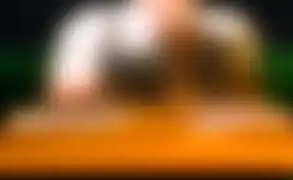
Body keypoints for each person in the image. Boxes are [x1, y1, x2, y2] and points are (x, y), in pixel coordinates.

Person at [47, 0, 260, 106]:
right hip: (106, 163)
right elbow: (65, 99)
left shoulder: (228, 31)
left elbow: (246, 101)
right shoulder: (91, 28)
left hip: (214, 161)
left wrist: (185, 51)